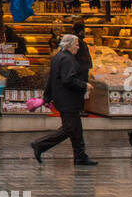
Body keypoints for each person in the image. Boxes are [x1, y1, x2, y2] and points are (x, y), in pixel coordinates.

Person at [31, 34, 97, 166]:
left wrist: (47, 96)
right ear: (70, 45)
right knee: (69, 129)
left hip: (62, 98)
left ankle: (80, 156)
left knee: (76, 129)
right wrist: (84, 85)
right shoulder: (68, 60)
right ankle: (40, 144)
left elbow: (52, 78)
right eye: (77, 44)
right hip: (69, 100)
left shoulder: (57, 57)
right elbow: (68, 80)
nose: (78, 47)